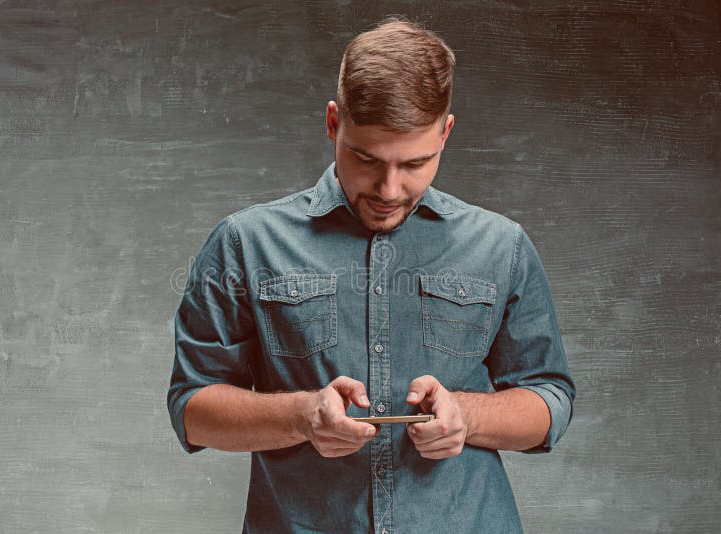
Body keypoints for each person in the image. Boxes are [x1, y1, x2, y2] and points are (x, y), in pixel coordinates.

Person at [167, 17, 576, 534]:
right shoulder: (244, 243)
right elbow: (192, 407)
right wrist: (301, 416)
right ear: (333, 122)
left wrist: (466, 416)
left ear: (446, 133)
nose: (389, 189)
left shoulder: (502, 246)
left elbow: (550, 399)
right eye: (366, 159)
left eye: (416, 163)